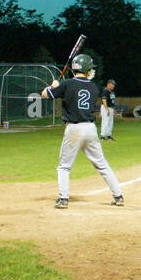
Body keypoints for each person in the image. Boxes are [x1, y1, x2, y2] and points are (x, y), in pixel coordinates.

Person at [41, 54, 124, 208]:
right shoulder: (94, 87)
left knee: (64, 166)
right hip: (90, 129)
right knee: (102, 164)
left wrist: (52, 86)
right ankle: (118, 196)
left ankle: (63, 199)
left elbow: (45, 94)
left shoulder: (67, 84)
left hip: (74, 129)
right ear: (86, 68)